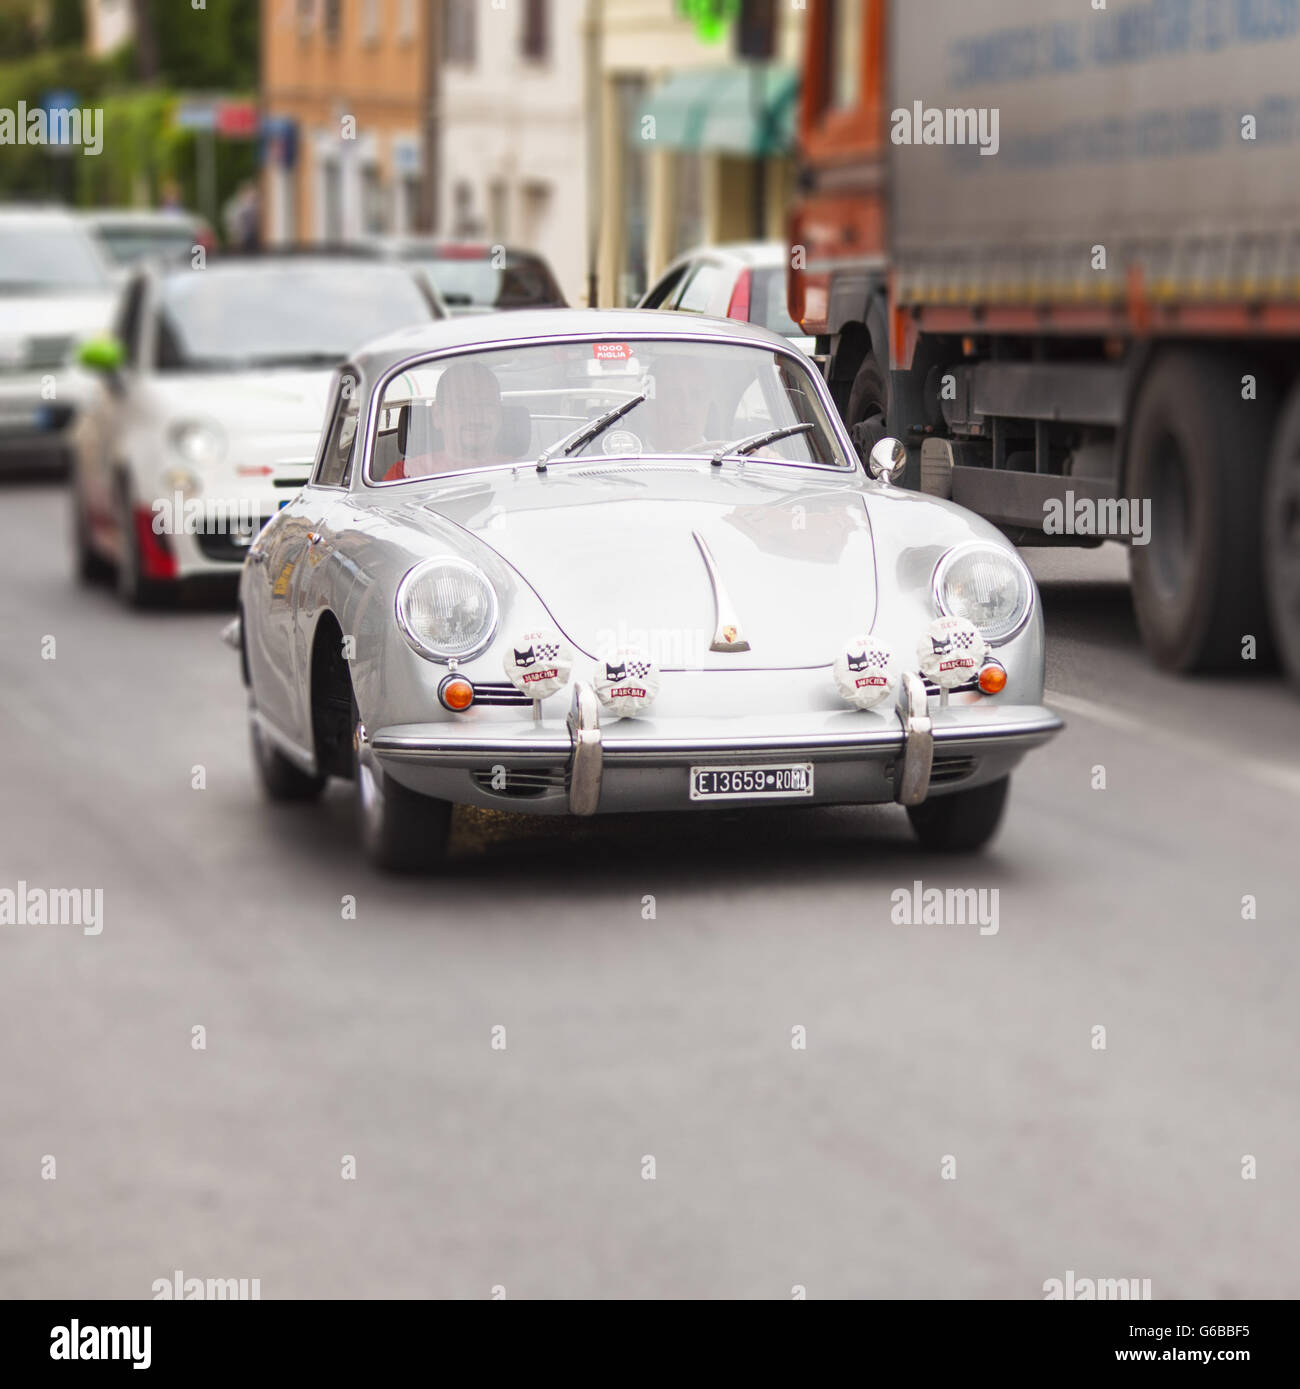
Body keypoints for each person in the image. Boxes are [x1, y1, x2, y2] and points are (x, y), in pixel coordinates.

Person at [384, 359, 507, 480]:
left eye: (486, 404)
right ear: (437, 414)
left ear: (499, 414)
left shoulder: (522, 475)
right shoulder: (403, 475)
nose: (475, 416)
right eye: (460, 405)